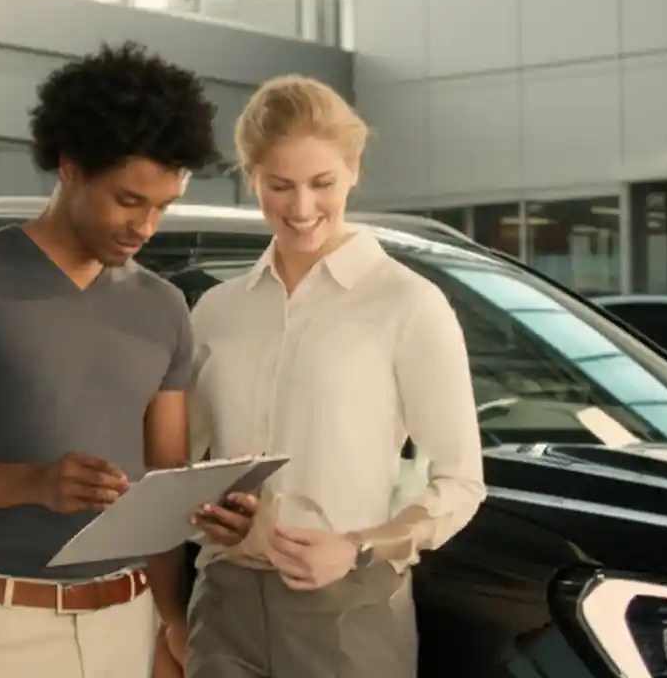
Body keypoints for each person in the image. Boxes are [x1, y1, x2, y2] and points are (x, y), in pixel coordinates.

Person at [0, 42, 257, 678]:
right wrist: (33, 483)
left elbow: (160, 485)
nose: (146, 227)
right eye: (129, 200)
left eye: (162, 206)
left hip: (126, 627)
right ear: (70, 167)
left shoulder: (164, 309)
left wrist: (182, 589)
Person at [177, 74, 487, 677]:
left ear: (353, 169)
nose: (301, 208)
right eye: (279, 186)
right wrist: (208, 516)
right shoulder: (217, 311)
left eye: (322, 184)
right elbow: (179, 471)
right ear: (252, 179)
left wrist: (358, 547)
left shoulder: (407, 303)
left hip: (350, 608)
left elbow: (460, 482)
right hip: (222, 606)